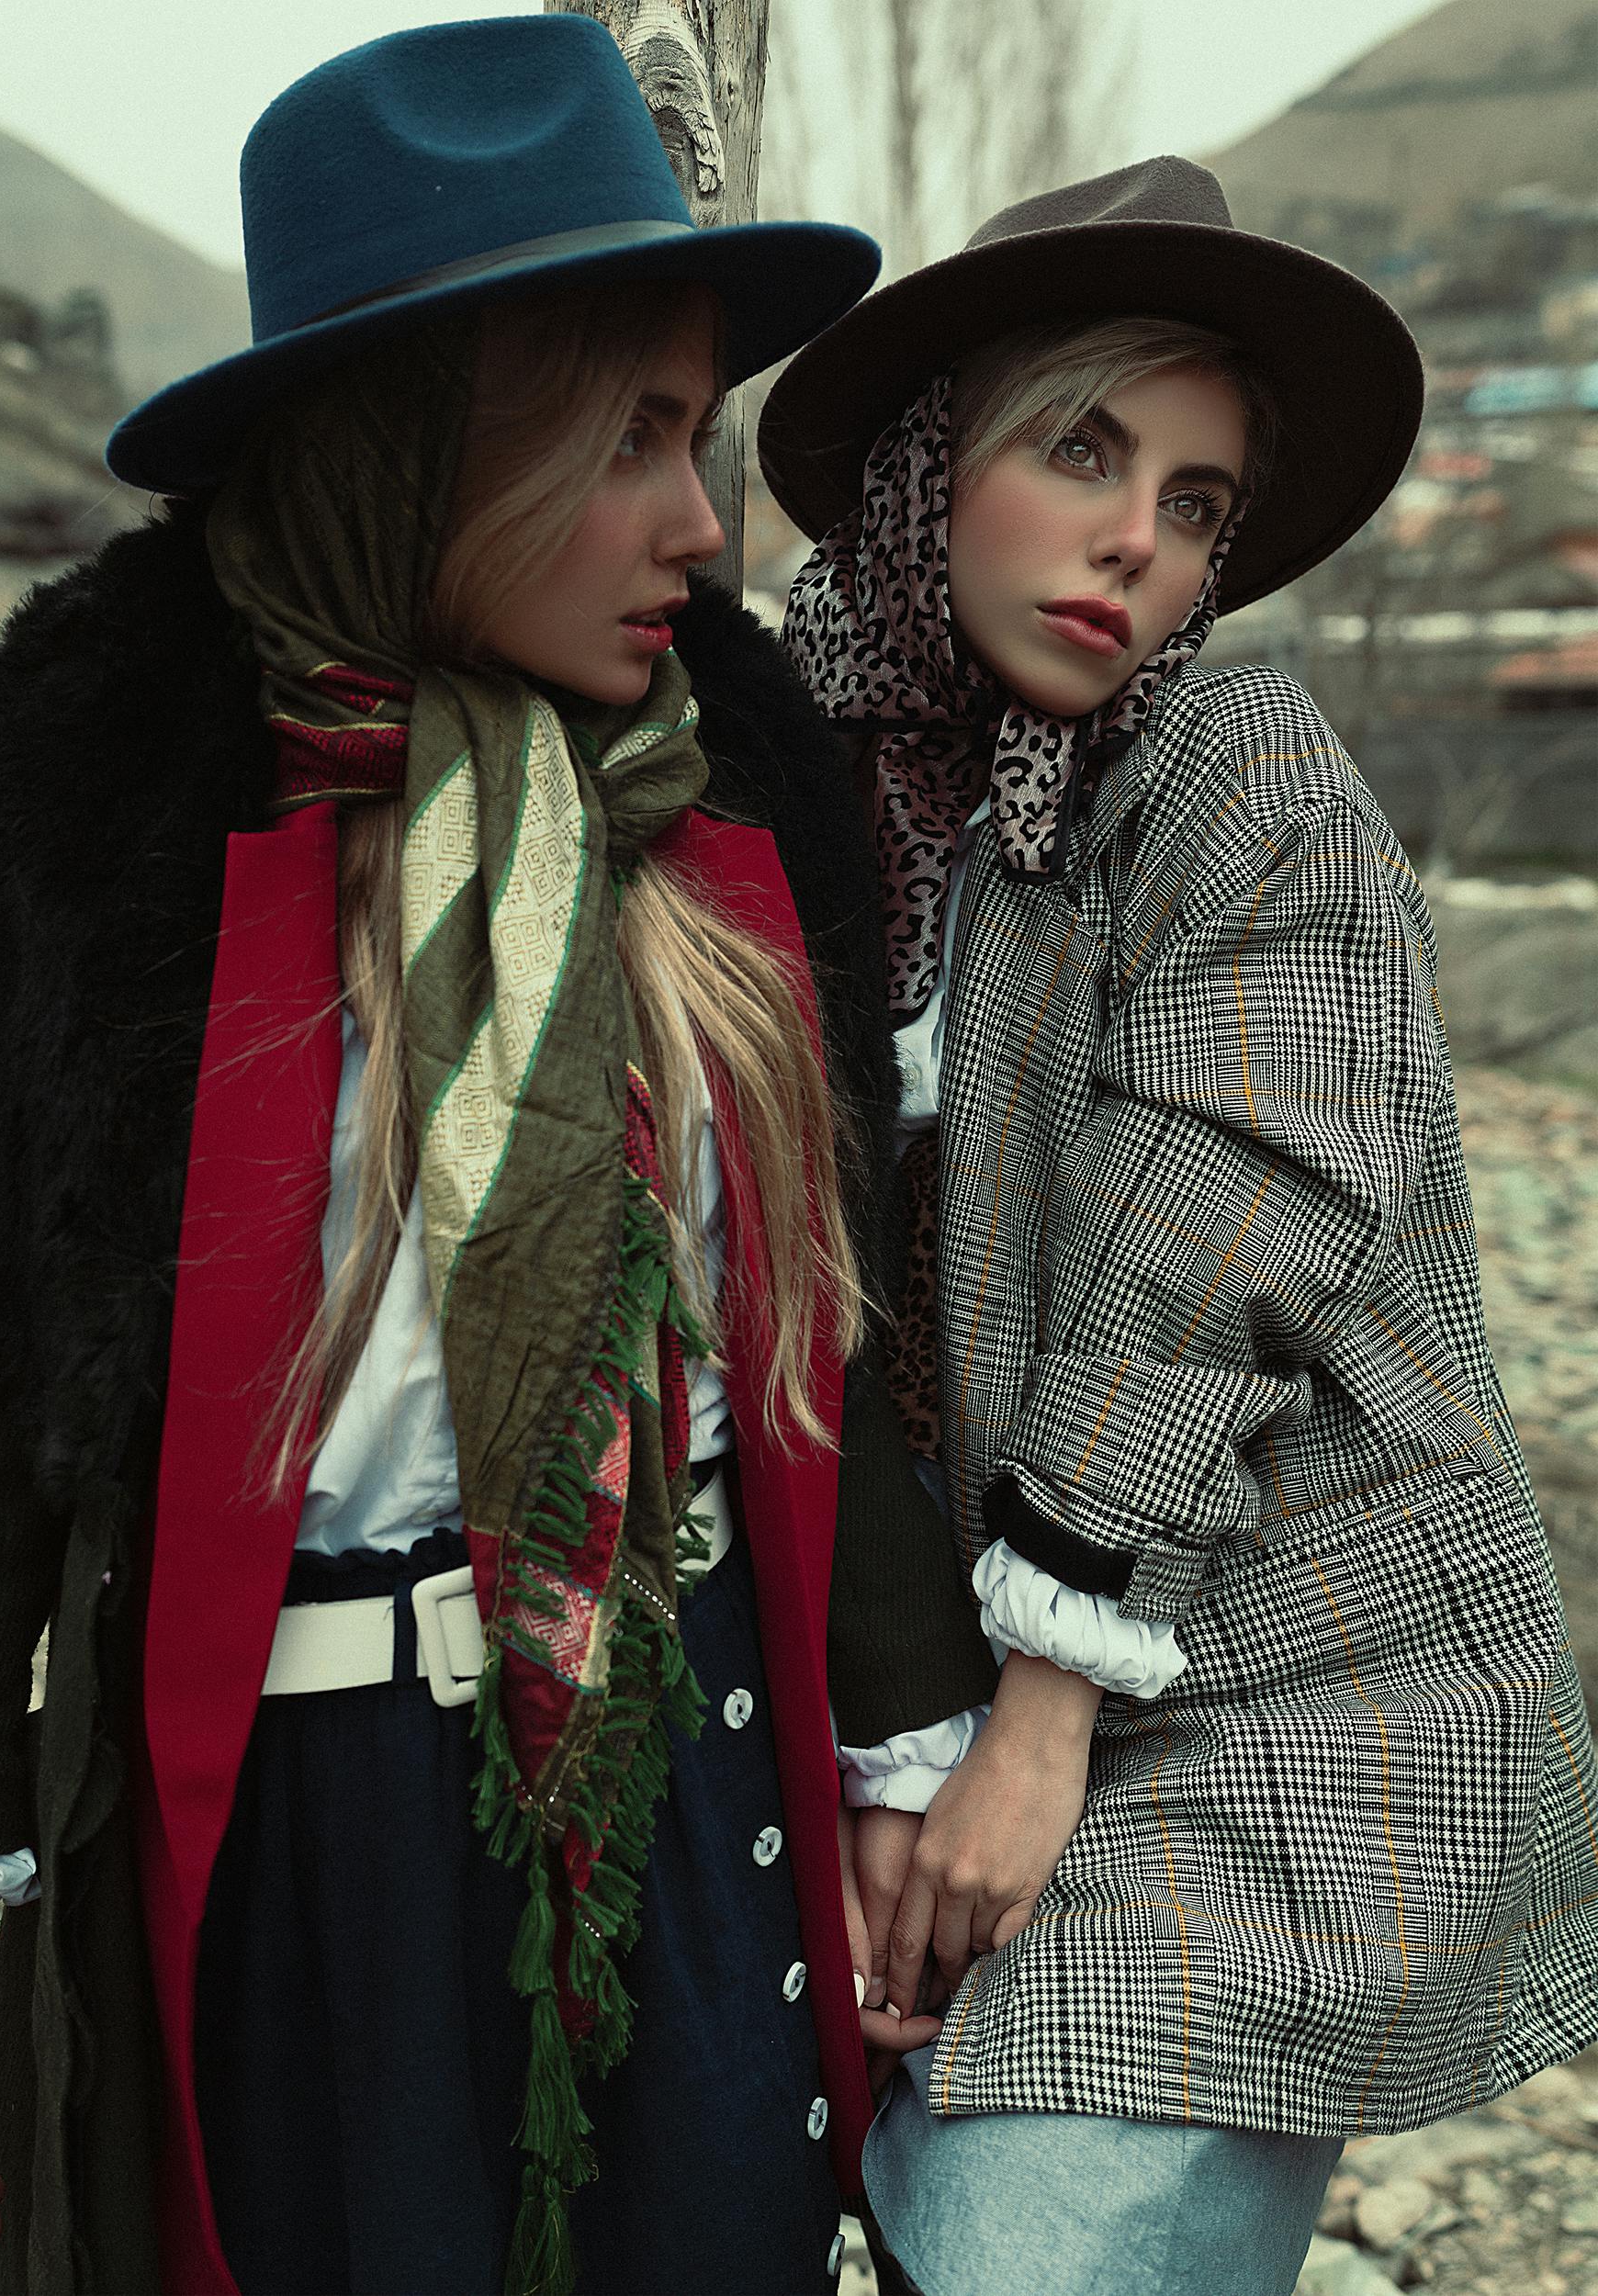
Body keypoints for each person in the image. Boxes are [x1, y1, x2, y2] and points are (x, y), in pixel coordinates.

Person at [0, 21, 996, 2294]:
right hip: (299, 1863)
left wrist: (897, 1756)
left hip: (691, 1778)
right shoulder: (79, 834)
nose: (696, 521)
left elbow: (830, 1335)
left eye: (693, 430)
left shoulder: (735, 808)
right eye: (625, 435)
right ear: (423, 443)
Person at [761, 157, 1598, 2296]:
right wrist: (899, 1731)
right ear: (937, 463)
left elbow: (1218, 1233)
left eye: (1201, 502)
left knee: (1031, 2250)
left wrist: (1030, 1718)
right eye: (1085, 449)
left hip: (1279, 1684)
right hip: (959, 1675)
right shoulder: (791, 807)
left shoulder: (1232, 755)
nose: (1143, 538)